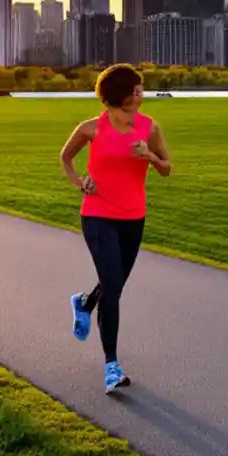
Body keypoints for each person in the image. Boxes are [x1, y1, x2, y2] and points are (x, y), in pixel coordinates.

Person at [59, 64, 172, 393]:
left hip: (134, 217)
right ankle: (112, 366)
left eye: (141, 89)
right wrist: (80, 181)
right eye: (136, 89)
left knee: (114, 285)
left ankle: (83, 302)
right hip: (97, 214)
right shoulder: (91, 128)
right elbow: (66, 157)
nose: (141, 94)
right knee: (113, 286)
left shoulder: (150, 128)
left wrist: (150, 155)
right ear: (118, 95)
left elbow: (166, 169)